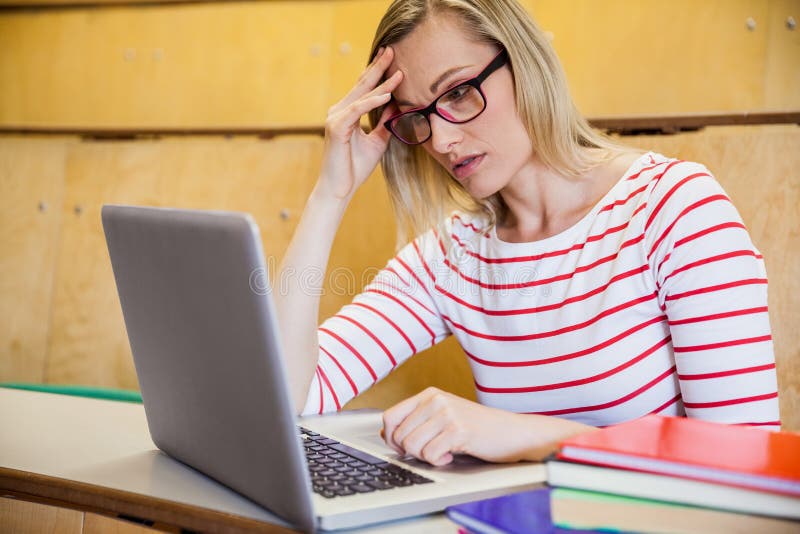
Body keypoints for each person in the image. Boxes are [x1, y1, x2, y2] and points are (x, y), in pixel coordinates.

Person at [273, 0, 780, 467]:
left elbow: (742, 461)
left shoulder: (673, 208)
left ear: (525, 63)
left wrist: (523, 436)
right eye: (415, 117)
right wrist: (329, 195)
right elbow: (288, 393)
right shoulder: (452, 256)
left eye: (459, 92)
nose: (443, 139)